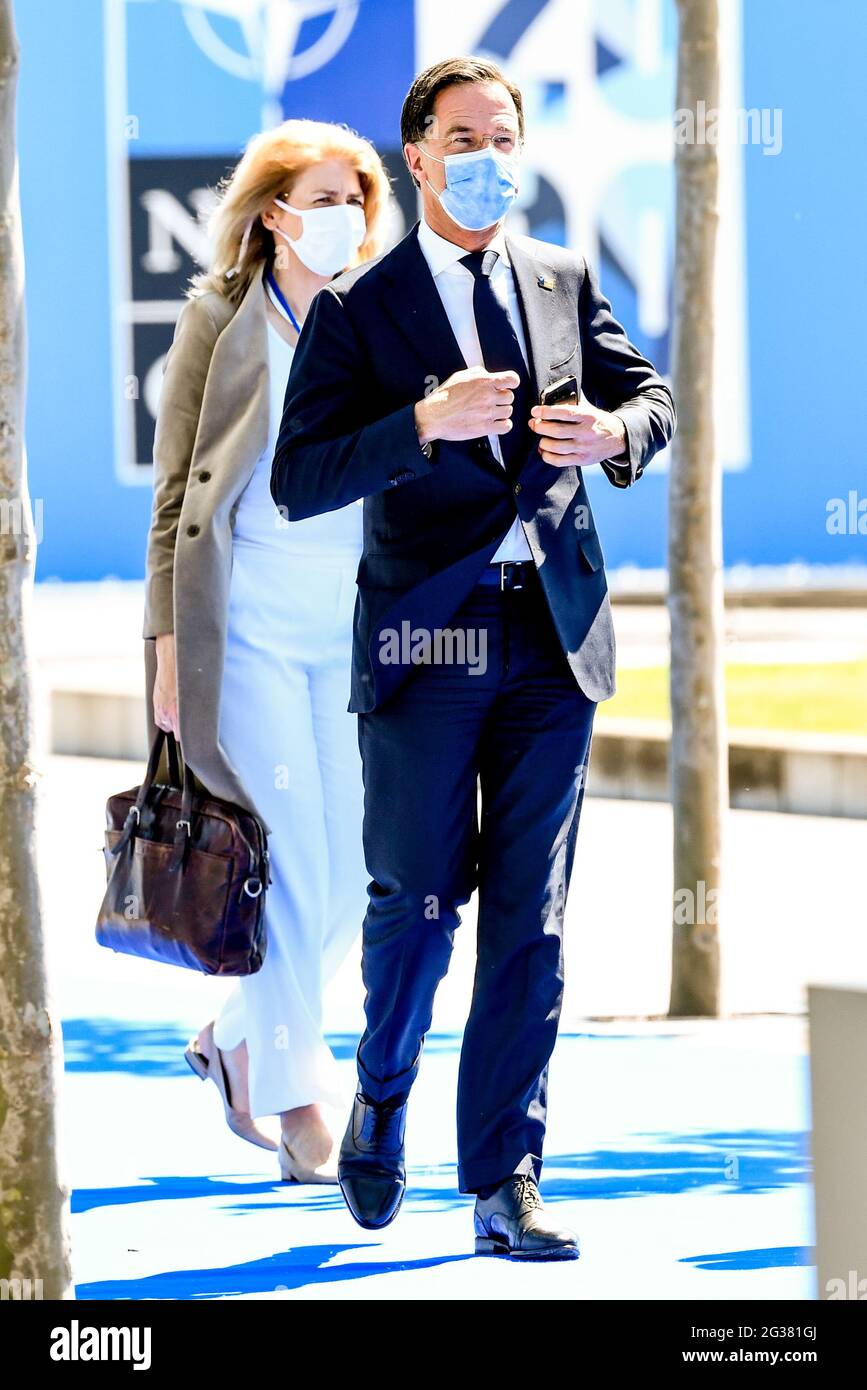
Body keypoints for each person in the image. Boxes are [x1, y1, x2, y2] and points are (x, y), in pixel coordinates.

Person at [272, 56, 676, 1255]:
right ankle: (383, 1091)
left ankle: (505, 1176)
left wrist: (612, 433)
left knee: (531, 919)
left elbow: (648, 394)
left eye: (504, 134)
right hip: (423, 639)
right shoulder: (360, 305)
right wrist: (418, 426)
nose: (489, 155)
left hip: (554, 631)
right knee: (418, 907)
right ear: (418, 155)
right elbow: (301, 476)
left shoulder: (560, 276)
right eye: (463, 137)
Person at [142, 118, 391, 1184]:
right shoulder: (218, 318)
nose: (346, 219)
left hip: (350, 627)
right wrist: (165, 648)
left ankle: (236, 1034)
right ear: (275, 212)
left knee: (352, 876)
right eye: (326, 200)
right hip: (241, 628)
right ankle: (299, 1109)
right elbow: (173, 500)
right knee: (286, 869)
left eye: (359, 202)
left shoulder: (385, 319)